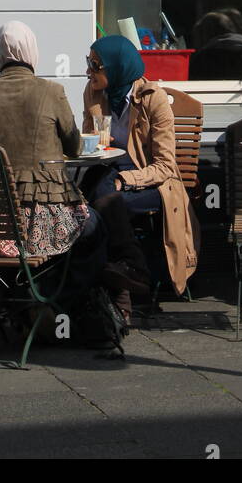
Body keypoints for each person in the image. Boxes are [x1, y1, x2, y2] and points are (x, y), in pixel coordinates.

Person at [0, 22, 105, 296]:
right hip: (47, 218)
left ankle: (26, 299)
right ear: (32, 51)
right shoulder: (52, 91)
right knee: (96, 227)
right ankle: (62, 300)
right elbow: (75, 147)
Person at [82, 34, 198, 316]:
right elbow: (93, 144)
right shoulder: (94, 92)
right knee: (90, 201)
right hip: (109, 171)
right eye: (89, 63)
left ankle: (120, 287)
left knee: (104, 204)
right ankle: (130, 267)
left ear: (116, 66)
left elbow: (165, 167)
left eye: (95, 65)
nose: (89, 71)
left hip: (151, 181)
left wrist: (127, 179)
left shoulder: (153, 99)